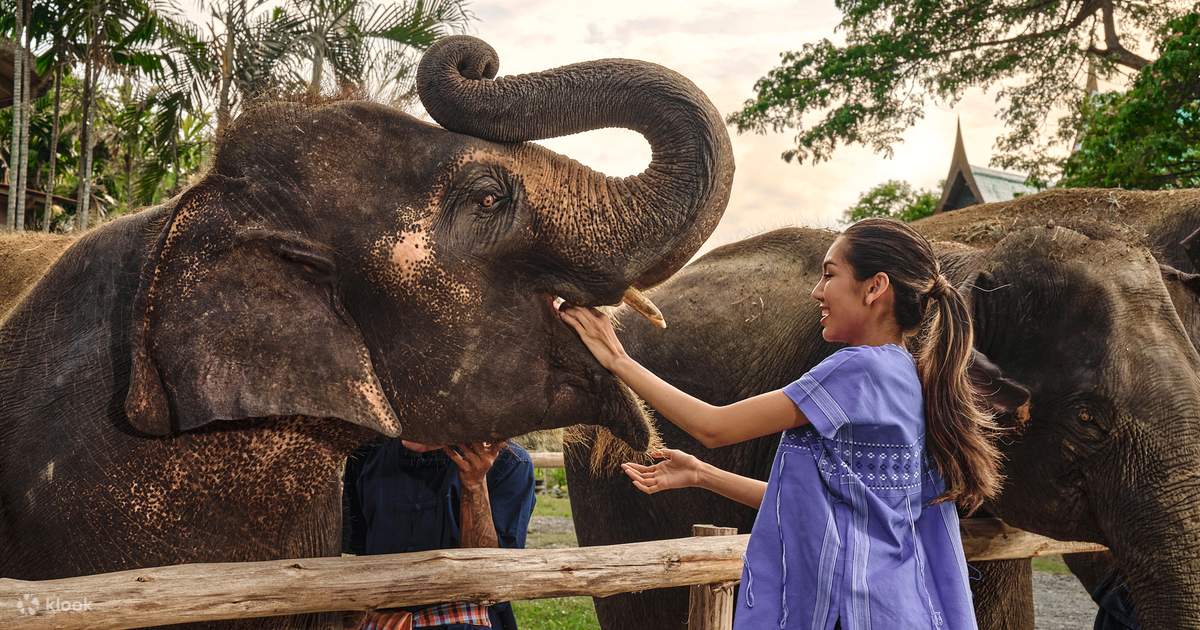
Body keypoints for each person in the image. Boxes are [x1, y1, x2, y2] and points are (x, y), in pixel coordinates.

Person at [559, 218, 1002, 629]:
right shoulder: (906, 374)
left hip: (845, 611)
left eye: (830, 274)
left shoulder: (857, 370)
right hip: (895, 609)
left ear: (874, 288)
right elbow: (820, 506)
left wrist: (616, 357)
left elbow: (714, 426)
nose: (816, 291)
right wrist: (701, 474)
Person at [343, 438, 536, 630]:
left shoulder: (509, 461)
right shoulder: (366, 454)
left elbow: (493, 578)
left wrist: (475, 486)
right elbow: (360, 552)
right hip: (380, 622)